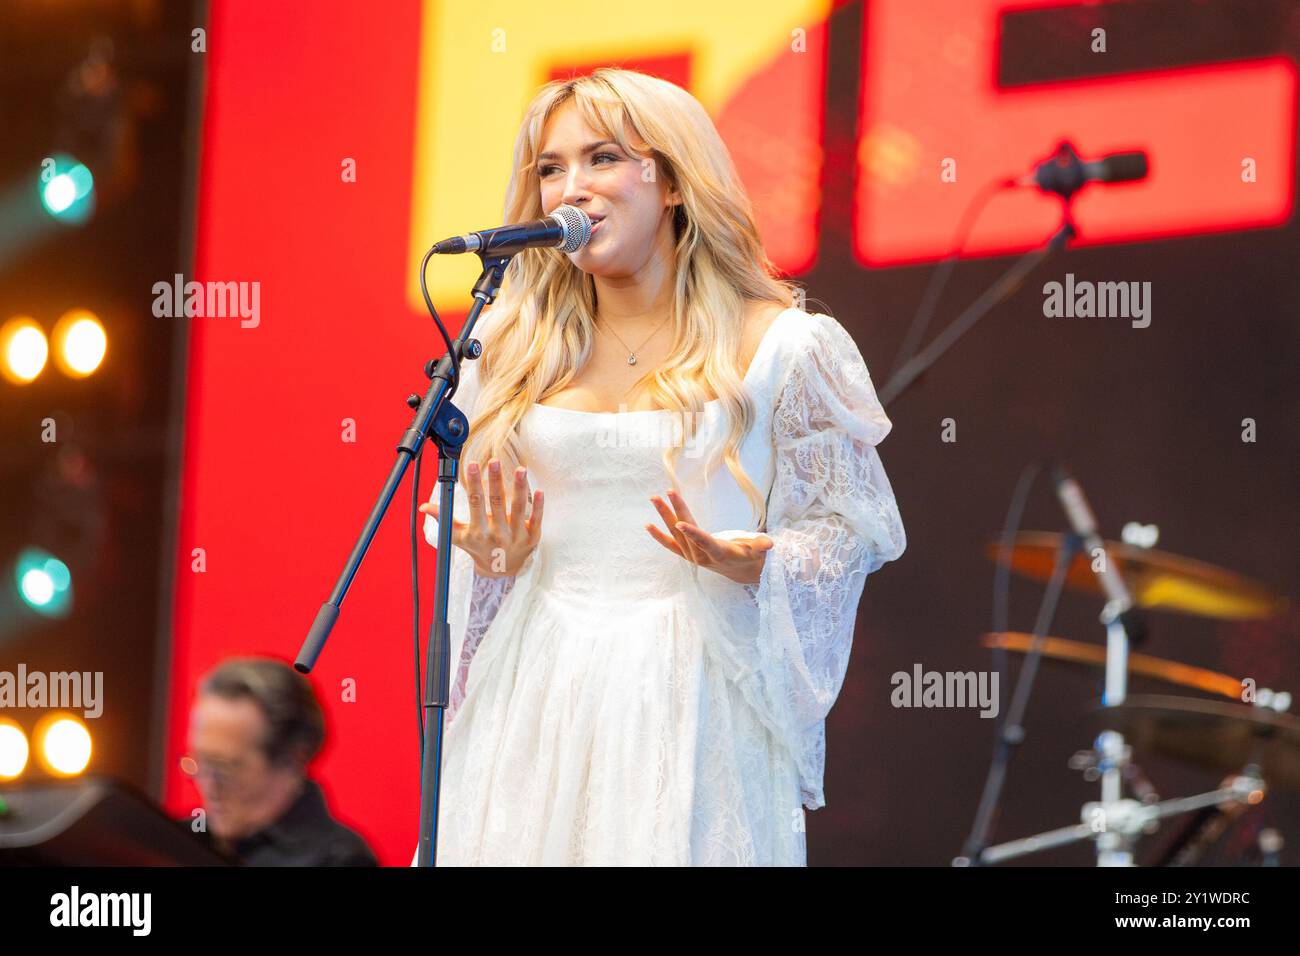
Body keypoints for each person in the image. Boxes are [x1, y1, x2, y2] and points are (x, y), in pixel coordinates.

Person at [417, 68, 905, 866]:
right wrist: (492, 556)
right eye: (550, 167)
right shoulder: (509, 345)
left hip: (694, 684)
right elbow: (468, 516)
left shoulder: (784, 344)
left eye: (602, 158)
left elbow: (852, 528)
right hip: (538, 679)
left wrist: (765, 560)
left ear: (673, 182)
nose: (570, 189)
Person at [184, 657, 377, 866]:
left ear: (293, 759)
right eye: (202, 763)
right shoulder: (179, 839)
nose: (208, 786)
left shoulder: (341, 860)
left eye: (227, 768)